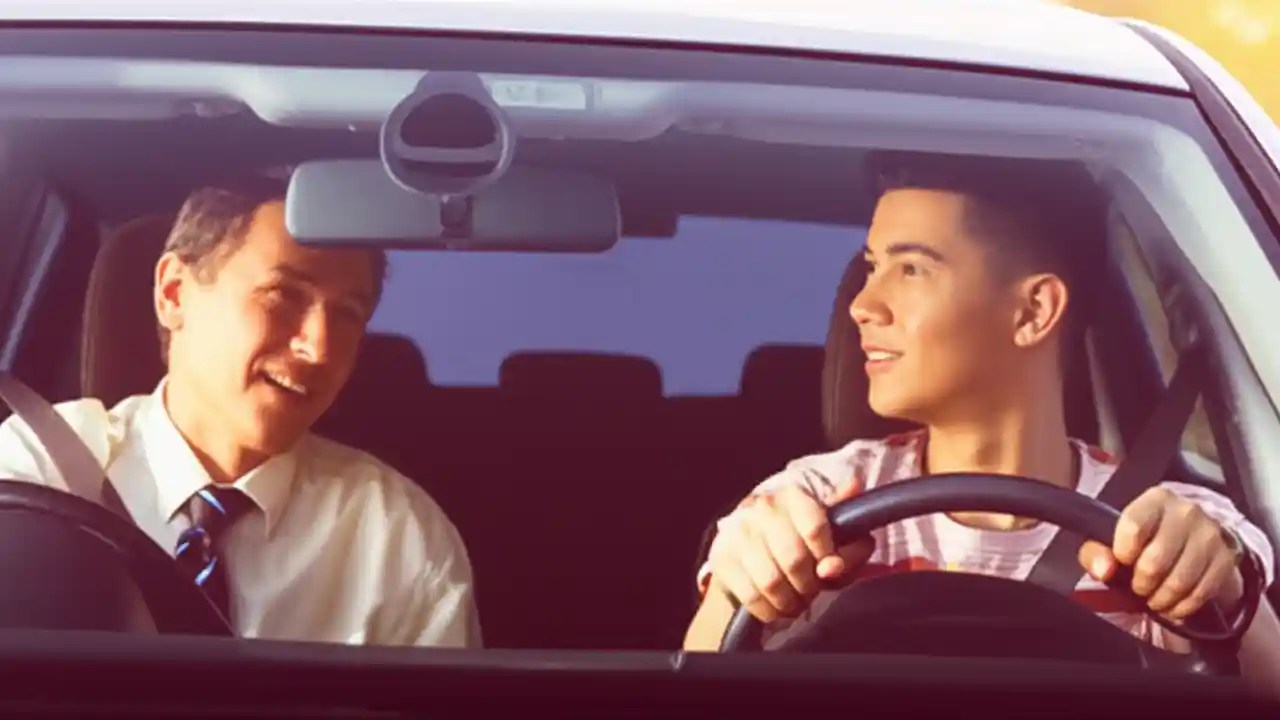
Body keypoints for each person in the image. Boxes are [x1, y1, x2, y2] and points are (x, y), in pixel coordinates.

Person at [683, 156, 1280, 687]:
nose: (862, 306)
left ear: (1032, 310)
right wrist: (748, 578)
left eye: (911, 269)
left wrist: (1218, 583)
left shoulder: (1163, 524)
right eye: (871, 267)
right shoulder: (815, 502)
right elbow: (700, 678)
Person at [0, 178, 480, 647]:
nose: (319, 347)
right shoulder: (36, 473)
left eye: (347, 314)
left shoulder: (393, 535)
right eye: (283, 296)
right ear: (174, 293)